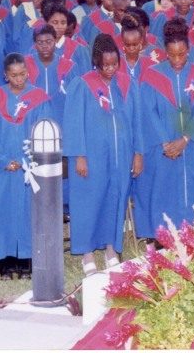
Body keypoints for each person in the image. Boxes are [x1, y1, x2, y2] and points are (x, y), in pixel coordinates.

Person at [62, 34, 141, 275]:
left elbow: (137, 121)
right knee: (88, 202)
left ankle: (110, 249)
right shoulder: (82, 84)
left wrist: (137, 153)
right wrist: (79, 155)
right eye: (105, 65)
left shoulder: (127, 83)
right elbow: (73, 122)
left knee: (114, 200)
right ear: (96, 62)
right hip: (92, 157)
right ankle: (86, 254)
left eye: (114, 64)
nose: (110, 69)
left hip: (121, 156)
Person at [133, 17, 194, 237]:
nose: (177, 60)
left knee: (191, 185)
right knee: (162, 189)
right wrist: (165, 143)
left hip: (189, 143)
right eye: (172, 55)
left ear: (189, 50)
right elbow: (146, 113)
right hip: (161, 146)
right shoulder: (152, 75)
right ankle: (163, 236)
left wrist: (185, 140)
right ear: (165, 52)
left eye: (182, 54)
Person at [0, 53, 53, 279]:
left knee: (28, 213)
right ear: (5, 75)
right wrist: (4, 161)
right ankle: (5, 264)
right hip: (3, 168)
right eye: (14, 75)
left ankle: (26, 262)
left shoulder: (39, 98)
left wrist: (30, 161)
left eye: (22, 74)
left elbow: (43, 132)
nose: (19, 79)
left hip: (28, 169)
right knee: (2, 212)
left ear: (27, 72)